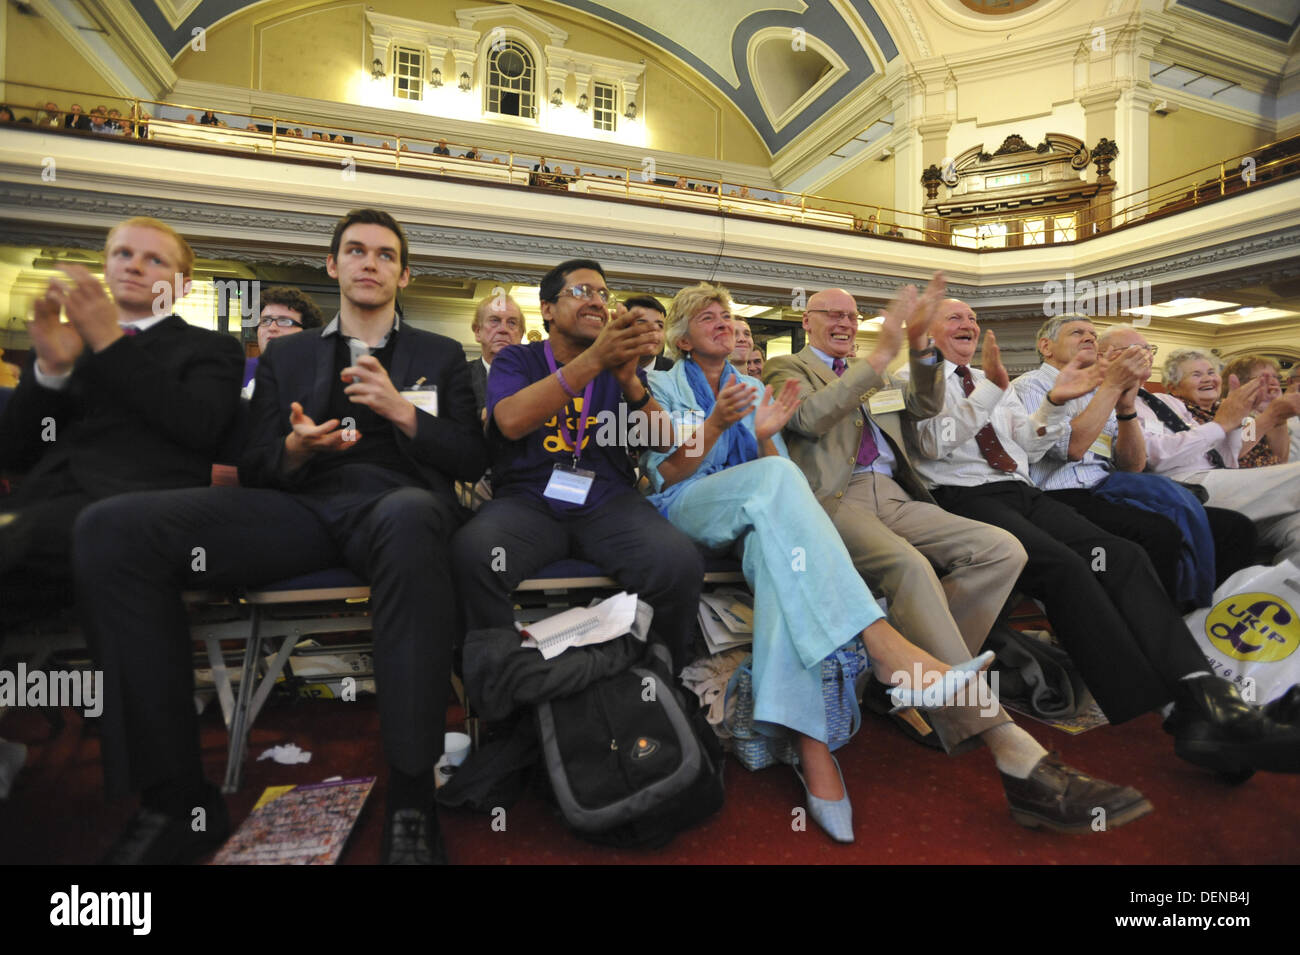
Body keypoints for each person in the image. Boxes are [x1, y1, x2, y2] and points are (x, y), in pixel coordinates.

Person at [75, 208, 487, 865]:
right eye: (355, 250)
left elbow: (470, 456)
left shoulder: (440, 355)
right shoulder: (288, 353)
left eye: (384, 254)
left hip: (395, 507)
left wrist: (404, 412)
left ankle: (412, 796)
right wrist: (295, 448)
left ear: (403, 273)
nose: (369, 262)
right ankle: (176, 799)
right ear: (333, 265)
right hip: (300, 509)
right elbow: (259, 460)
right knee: (112, 528)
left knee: (410, 516)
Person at [642, 281, 1073, 842]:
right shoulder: (660, 383)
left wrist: (767, 436)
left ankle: (810, 745)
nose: (723, 320)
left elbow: (778, 475)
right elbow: (666, 473)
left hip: (761, 514)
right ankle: (888, 656)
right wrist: (721, 424)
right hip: (688, 506)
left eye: (727, 313)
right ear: (680, 335)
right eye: (707, 315)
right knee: (783, 491)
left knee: (783, 555)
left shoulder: (748, 383)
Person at [765, 284, 1146, 831]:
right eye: (833, 314)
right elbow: (808, 421)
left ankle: (906, 680)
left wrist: (920, 349)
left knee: (1000, 550)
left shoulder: (875, 375)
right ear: (807, 320)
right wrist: (877, 357)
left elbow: (922, 406)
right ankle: (1010, 748)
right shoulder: (787, 366)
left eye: (853, 314)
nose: (845, 321)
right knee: (911, 568)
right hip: (837, 498)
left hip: (896, 494)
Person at [901, 298, 1300, 778]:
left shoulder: (995, 383)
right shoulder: (915, 381)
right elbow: (932, 443)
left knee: (1122, 555)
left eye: (972, 317)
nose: (968, 323)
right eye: (954, 317)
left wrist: (1052, 402)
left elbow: (1027, 449)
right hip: (963, 496)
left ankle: (1201, 692)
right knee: (1066, 566)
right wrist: (992, 392)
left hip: (1019, 489)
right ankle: (1181, 713)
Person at [452, 258, 704, 670]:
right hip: (529, 500)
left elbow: (661, 440)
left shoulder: (621, 367)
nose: (597, 301)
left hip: (608, 501)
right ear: (547, 309)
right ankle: (503, 690)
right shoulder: (518, 360)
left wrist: (628, 380)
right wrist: (595, 360)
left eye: (603, 294)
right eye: (581, 291)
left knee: (676, 563)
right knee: (477, 555)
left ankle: (652, 686)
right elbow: (511, 422)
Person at [0, 217, 243, 624]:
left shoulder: (212, 349)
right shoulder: (67, 343)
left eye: (155, 260)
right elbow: (14, 454)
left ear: (181, 285)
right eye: (123, 254)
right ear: (107, 267)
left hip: (132, 512)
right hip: (38, 505)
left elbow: (197, 427)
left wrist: (110, 341)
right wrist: (51, 368)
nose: (133, 266)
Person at [1014, 318, 1256, 607]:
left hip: (1112, 487)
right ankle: (1159, 628)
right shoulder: (1031, 385)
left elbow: (1133, 465)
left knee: (1236, 528)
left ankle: (1208, 618)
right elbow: (1073, 449)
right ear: (1046, 346)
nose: (1090, 338)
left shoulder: (1108, 393)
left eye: (1093, 333)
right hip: (1059, 495)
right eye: (1078, 333)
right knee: (1158, 533)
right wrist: (1112, 388)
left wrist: (1126, 408)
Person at [1137, 342, 1300, 564]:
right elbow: (1242, 452)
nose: (1207, 378)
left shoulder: (1241, 414)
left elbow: (1275, 457)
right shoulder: (1179, 411)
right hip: (1227, 491)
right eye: (1196, 374)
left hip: (1264, 489)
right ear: (1173, 387)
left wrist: (1276, 420)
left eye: (1211, 372)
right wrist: (1268, 415)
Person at [242, 285, 325, 396]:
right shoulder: (239, 373)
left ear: (307, 332)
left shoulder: (324, 380)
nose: (272, 328)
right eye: (265, 320)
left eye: (285, 321)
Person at [1220, 354, 1294, 466]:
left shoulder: (1267, 413)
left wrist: (1280, 418)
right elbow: (1235, 451)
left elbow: (1281, 459)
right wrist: (1273, 413)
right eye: (1265, 378)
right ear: (1241, 383)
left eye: (1275, 377)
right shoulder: (1225, 409)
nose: (1274, 382)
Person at [467, 290, 526, 418]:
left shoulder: (538, 378)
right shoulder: (460, 376)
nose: (503, 329)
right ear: (478, 332)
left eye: (512, 322)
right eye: (495, 321)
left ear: (521, 334)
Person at [622, 295, 673, 372]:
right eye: (642, 324)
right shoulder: (604, 369)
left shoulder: (674, 373)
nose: (653, 330)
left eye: (660, 325)